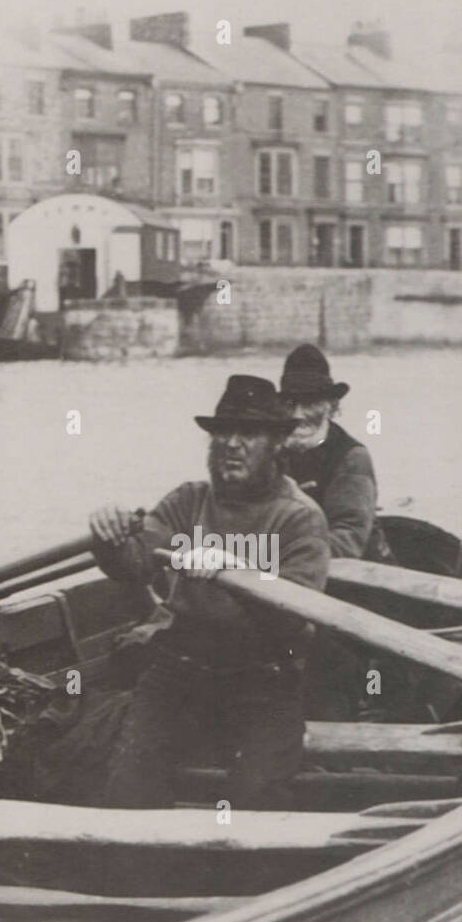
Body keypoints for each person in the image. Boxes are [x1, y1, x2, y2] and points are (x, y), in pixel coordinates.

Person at [89, 375, 330, 810]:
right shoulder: (187, 502)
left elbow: (294, 614)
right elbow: (136, 564)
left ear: (276, 444)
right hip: (182, 667)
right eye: (223, 431)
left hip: (264, 676)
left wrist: (234, 573)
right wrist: (109, 537)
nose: (231, 444)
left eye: (248, 433)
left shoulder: (300, 519)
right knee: (126, 786)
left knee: (255, 797)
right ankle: (137, 872)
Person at [279, 343, 378, 559]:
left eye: (310, 402)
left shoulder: (352, 458)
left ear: (331, 406)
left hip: (353, 578)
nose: (298, 414)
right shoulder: (272, 451)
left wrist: (274, 551)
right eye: (290, 403)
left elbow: (348, 541)